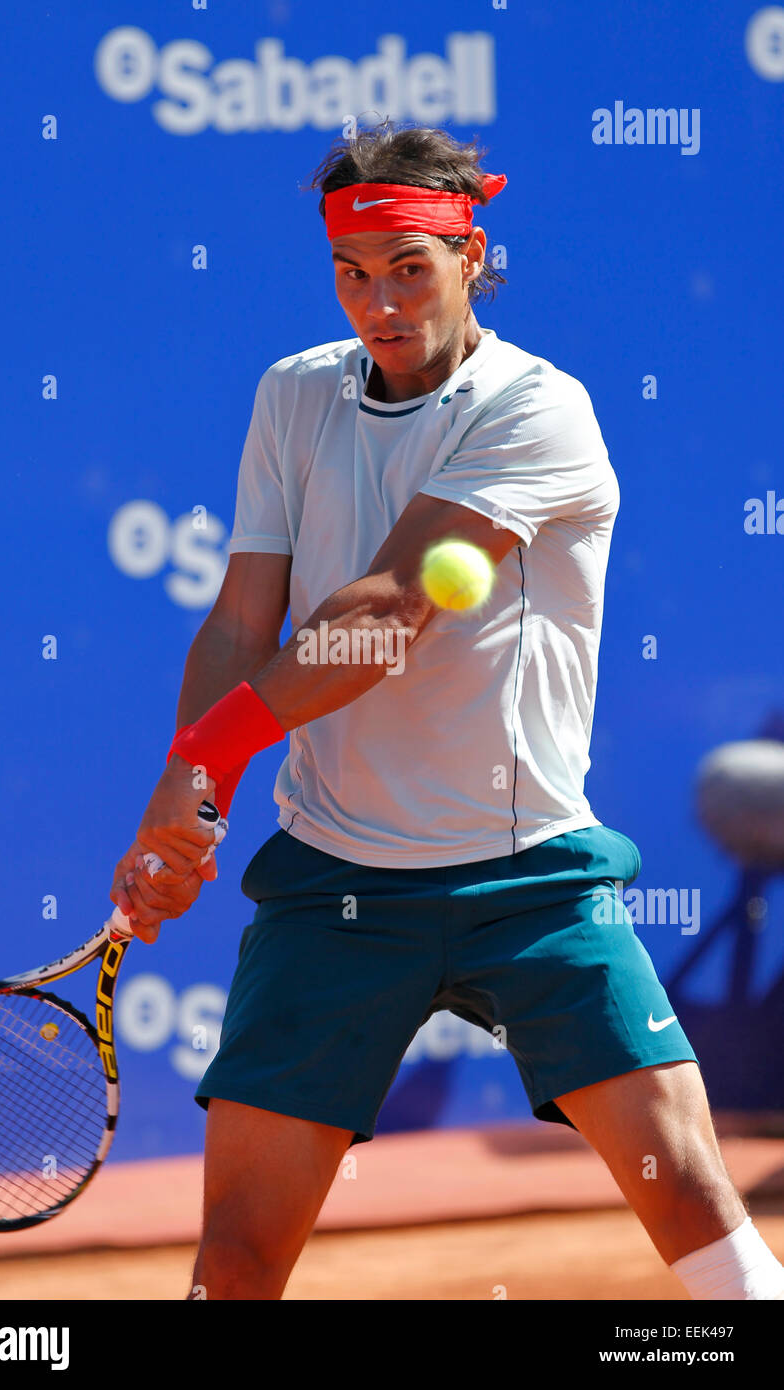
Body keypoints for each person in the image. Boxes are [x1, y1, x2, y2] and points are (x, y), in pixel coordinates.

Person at [110, 121, 784, 1302]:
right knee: (236, 1256)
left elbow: (385, 612)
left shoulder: (539, 409)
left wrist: (208, 751)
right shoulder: (292, 397)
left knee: (688, 1196)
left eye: (409, 269)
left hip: (525, 877)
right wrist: (190, 791)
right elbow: (238, 622)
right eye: (352, 274)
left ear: (473, 256)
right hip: (335, 884)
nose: (379, 301)